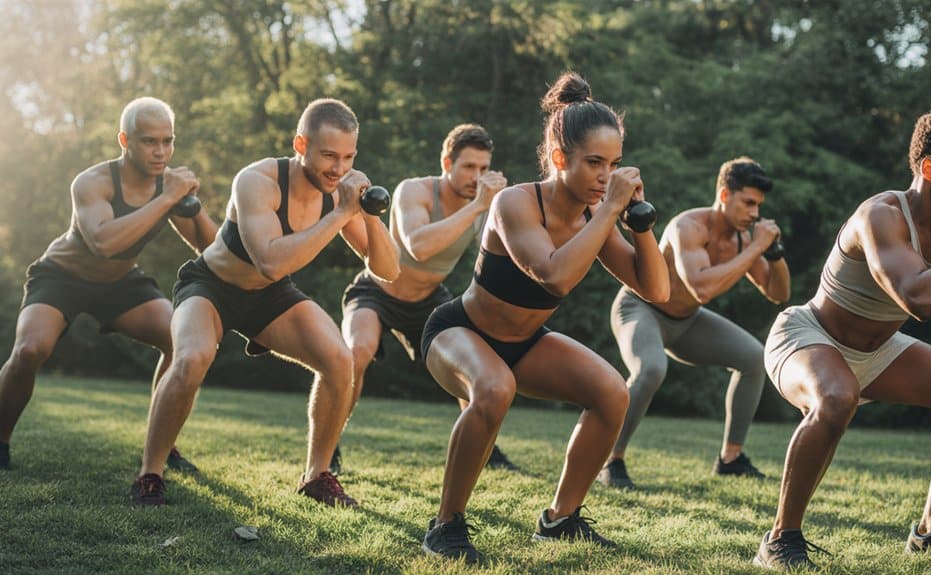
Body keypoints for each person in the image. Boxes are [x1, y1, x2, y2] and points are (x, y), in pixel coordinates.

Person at [754, 104, 931, 570]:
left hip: (878, 350)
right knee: (837, 397)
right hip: (808, 335)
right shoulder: (880, 216)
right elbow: (918, 299)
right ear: (930, 168)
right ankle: (780, 540)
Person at [418, 72, 670, 564]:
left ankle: (559, 520)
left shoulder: (593, 217)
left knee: (612, 393)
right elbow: (552, 276)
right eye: (594, 163)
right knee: (494, 388)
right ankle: (444, 527)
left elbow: (656, 290)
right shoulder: (516, 202)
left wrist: (639, 224)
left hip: (526, 342)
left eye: (614, 165)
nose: (606, 176)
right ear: (559, 159)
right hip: (459, 331)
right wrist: (609, 211)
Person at [129, 98, 400, 507]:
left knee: (339, 360)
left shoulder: (339, 192)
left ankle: (317, 476)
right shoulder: (257, 181)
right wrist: (341, 214)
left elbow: (388, 269)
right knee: (192, 358)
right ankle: (150, 474)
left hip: (268, 296)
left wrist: (369, 214)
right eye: (329, 155)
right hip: (211, 286)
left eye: (348, 158)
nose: (338, 168)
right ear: (301, 144)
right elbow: (270, 261)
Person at [0, 97, 217, 472]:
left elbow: (213, 251)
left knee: (182, 341)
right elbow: (103, 243)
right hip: (62, 277)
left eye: (167, 141)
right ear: (125, 140)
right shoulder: (92, 182)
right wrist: (167, 197)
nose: (160, 151)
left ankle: (162, 444)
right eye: (149, 141)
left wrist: (193, 206)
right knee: (30, 350)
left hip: (120, 282)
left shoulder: (169, 186)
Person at [337, 124, 519, 474]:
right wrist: (478, 206)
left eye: (484, 168)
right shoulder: (414, 191)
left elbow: (502, 255)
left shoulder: (482, 204)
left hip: (429, 299)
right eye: (468, 167)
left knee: (470, 366)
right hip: (377, 291)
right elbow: (418, 246)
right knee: (356, 353)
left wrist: (499, 207)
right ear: (447, 163)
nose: (477, 177)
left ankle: (486, 450)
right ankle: (330, 444)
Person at [600, 157, 790, 489]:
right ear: (725, 195)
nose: (755, 213)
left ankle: (730, 459)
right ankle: (609, 460)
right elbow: (701, 288)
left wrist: (773, 254)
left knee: (754, 358)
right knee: (651, 369)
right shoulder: (688, 227)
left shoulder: (742, 241)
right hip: (641, 308)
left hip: (687, 321)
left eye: (759, 206)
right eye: (748, 203)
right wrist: (757, 247)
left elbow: (779, 293)